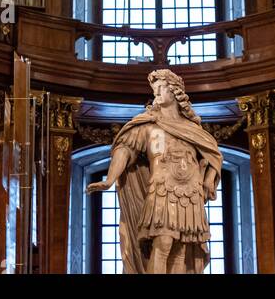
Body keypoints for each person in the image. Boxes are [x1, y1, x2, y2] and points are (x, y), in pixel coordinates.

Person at [86, 67, 221, 275]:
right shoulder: (147, 125)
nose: (156, 94)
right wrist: (110, 179)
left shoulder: (193, 129)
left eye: (160, 88)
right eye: (154, 89)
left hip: (191, 193)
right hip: (162, 190)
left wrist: (209, 180)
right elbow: (125, 149)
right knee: (162, 244)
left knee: (182, 250)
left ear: (174, 91)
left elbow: (214, 156)